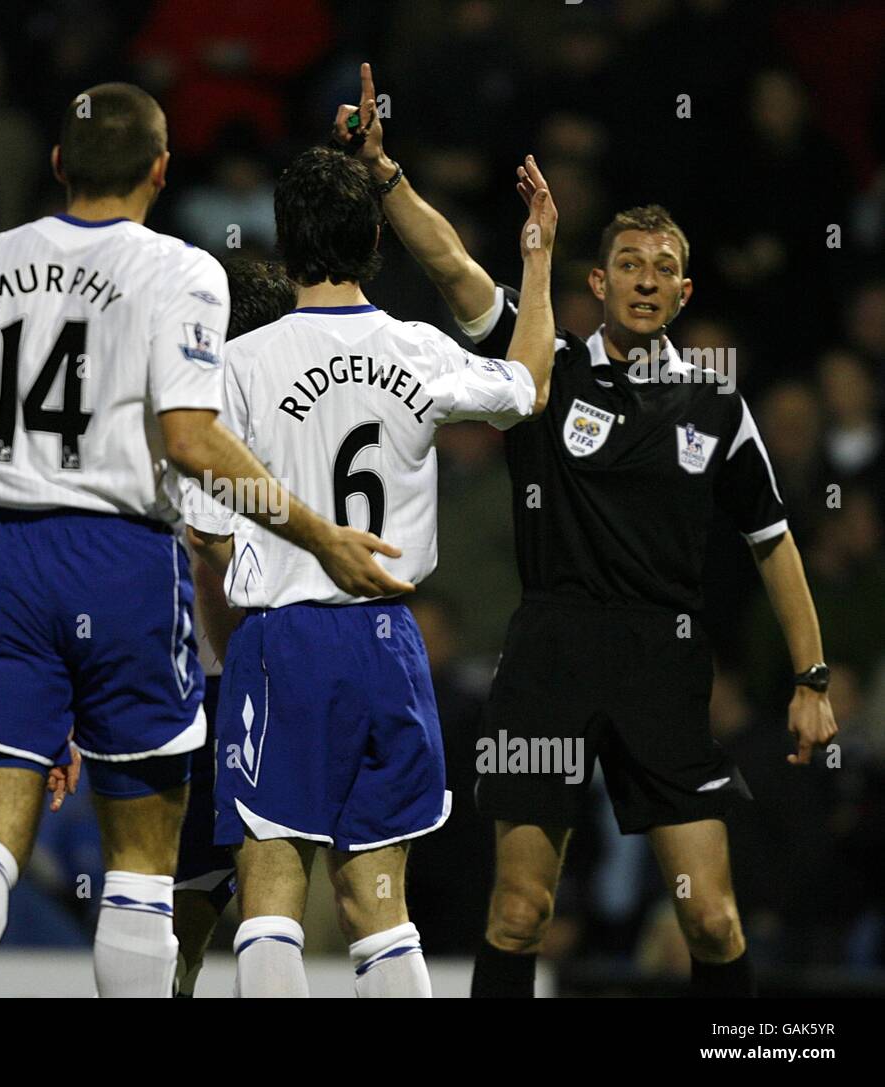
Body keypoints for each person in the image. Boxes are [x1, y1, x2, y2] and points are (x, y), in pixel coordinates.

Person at [0, 83, 410, 998]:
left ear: (58, 164)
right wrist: (316, 531)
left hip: (6, 563)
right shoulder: (186, 272)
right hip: (125, 560)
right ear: (161, 169)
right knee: (143, 854)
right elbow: (189, 439)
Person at [336, 62, 839, 997]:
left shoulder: (716, 401)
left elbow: (774, 544)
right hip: (550, 656)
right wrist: (385, 174)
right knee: (519, 910)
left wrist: (810, 676)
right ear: (599, 281)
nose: (648, 281)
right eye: (632, 266)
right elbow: (454, 272)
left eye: (666, 270)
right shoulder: (544, 369)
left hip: (664, 662)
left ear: (684, 294)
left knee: (711, 914)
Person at [184, 139, 558, 997]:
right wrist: (536, 259)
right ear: (374, 246)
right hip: (394, 645)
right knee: (378, 902)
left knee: (271, 888)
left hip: (284, 639)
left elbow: (207, 532)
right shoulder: (418, 350)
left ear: (283, 246)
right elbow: (530, 386)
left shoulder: (241, 363)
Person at [172, 259, 297, 997]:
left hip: (168, 680)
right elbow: (209, 547)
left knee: (182, 894)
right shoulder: (231, 425)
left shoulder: (174, 412)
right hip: (232, 681)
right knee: (268, 892)